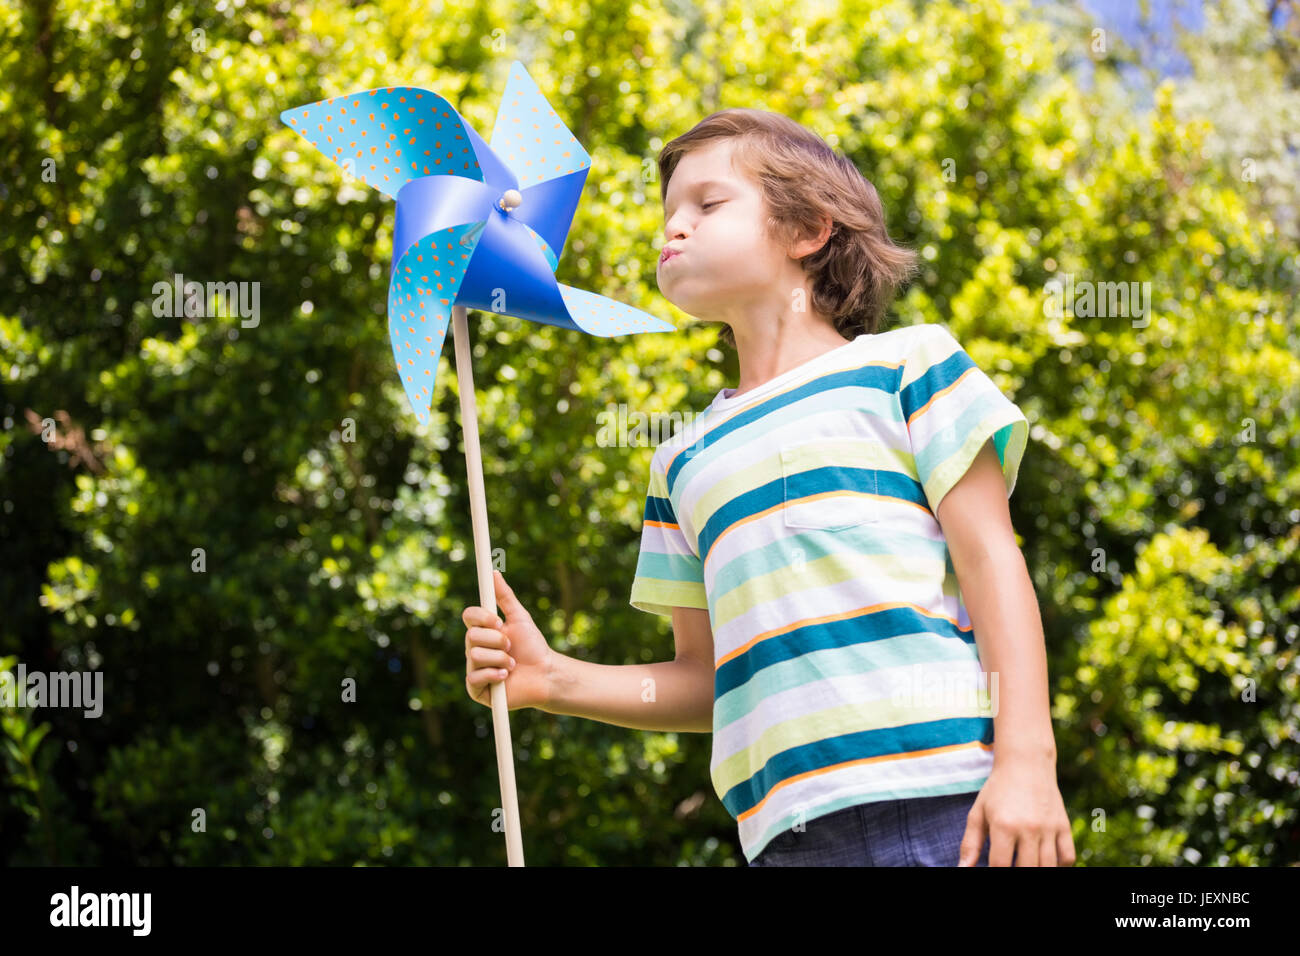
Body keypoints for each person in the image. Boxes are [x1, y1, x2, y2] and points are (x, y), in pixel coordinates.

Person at [463, 108, 1075, 867]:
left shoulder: (907, 368)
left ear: (809, 229)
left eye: (707, 204)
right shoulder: (681, 461)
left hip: (949, 799)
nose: (673, 228)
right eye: (668, 214)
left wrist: (1027, 761)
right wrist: (553, 677)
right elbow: (703, 678)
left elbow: (992, 564)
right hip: (786, 838)